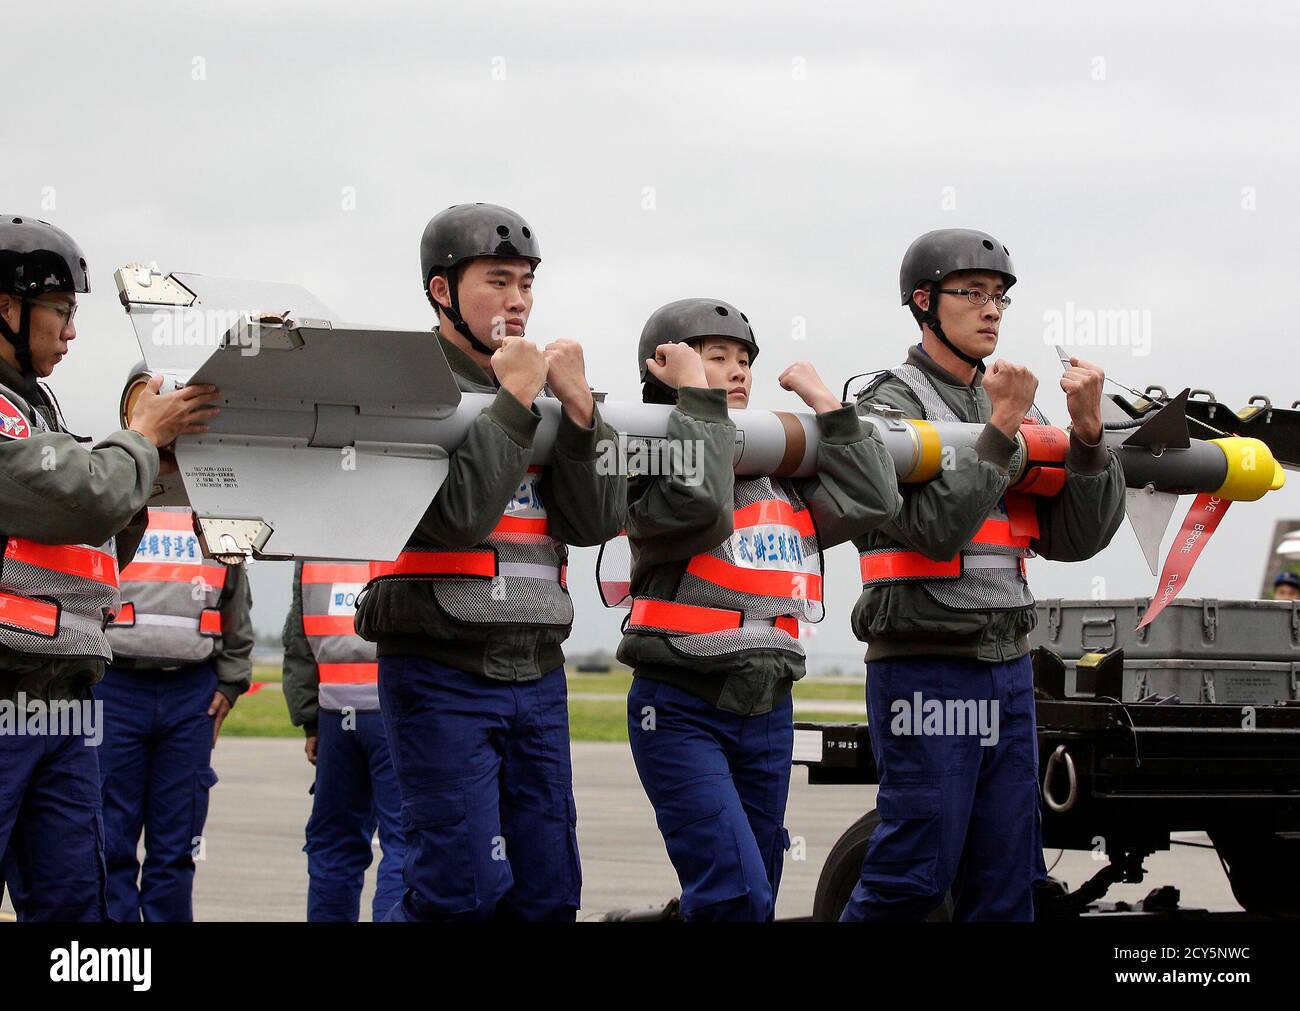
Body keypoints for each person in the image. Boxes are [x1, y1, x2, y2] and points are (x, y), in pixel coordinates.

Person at [840, 228, 1126, 922]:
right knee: (914, 874)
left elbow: (1075, 537)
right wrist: (1001, 426)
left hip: (1008, 666)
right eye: (971, 293)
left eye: (998, 296)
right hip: (927, 665)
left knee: (1007, 886)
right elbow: (934, 530)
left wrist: (1088, 438)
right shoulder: (886, 404)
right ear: (923, 301)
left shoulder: (1020, 406)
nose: (992, 309)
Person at [354, 203, 626, 921]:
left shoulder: (542, 388)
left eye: (527, 285)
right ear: (443, 292)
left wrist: (581, 416)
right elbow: (455, 521)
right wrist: (515, 397)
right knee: (462, 889)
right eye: (497, 281)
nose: (518, 300)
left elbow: (596, 520)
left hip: (535, 669)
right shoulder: (406, 387)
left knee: (548, 892)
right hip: (440, 668)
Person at [616, 297, 901, 920]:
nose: (739, 370)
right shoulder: (648, 462)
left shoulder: (782, 480)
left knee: (756, 892)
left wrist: (830, 406)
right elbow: (698, 504)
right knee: (734, 893)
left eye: (745, 359)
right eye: (716, 358)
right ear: (662, 370)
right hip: (681, 706)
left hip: (767, 706)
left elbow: (876, 498)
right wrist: (696, 401)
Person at [0, 214, 220, 920]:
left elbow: (95, 542)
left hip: (58, 698)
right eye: (60, 311)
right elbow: (82, 491)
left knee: (75, 908)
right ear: (6, 306)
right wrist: (141, 439)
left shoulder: (35, 410)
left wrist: (148, 469)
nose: (70, 332)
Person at [97, 506, 253, 921]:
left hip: (191, 691)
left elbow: (236, 599)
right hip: (116, 686)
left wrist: (231, 681)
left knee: (177, 842)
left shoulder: (218, 510)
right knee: (111, 839)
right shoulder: (121, 497)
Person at [282, 559, 406, 921]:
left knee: (334, 844)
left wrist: (310, 720)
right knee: (406, 842)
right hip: (397, 707)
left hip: (335, 711)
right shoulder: (404, 519)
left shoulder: (314, 543)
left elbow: (297, 635)